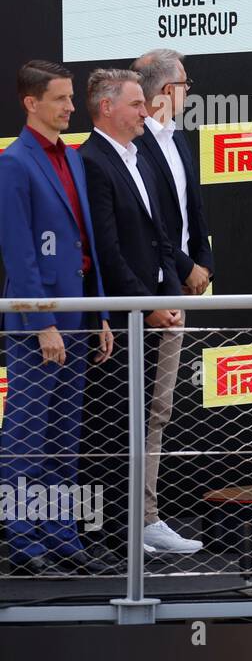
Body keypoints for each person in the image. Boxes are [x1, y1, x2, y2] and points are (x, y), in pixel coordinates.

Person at [0, 61, 114, 575]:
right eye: (61, 99)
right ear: (31, 103)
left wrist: (102, 313)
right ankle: (23, 541)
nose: (71, 107)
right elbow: (18, 253)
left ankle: (62, 535)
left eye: (71, 98)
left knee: (66, 436)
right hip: (38, 323)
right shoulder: (14, 163)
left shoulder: (70, 156)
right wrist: (41, 322)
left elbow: (84, 244)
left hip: (78, 313)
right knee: (28, 434)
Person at [80, 68, 200, 556]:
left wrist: (169, 294)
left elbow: (162, 235)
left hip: (159, 306)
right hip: (128, 314)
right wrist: (145, 306)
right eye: (135, 104)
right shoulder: (92, 160)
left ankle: (144, 519)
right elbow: (108, 248)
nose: (143, 112)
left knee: (156, 414)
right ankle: (117, 529)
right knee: (118, 420)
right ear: (107, 108)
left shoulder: (139, 157)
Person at [131, 49, 213, 551]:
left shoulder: (178, 138)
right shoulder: (136, 145)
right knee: (141, 409)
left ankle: (148, 516)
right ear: (165, 90)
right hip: (152, 291)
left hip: (178, 288)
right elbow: (154, 226)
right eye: (184, 82)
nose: (189, 89)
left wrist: (201, 262)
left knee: (159, 409)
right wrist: (184, 268)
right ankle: (137, 519)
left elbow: (192, 209)